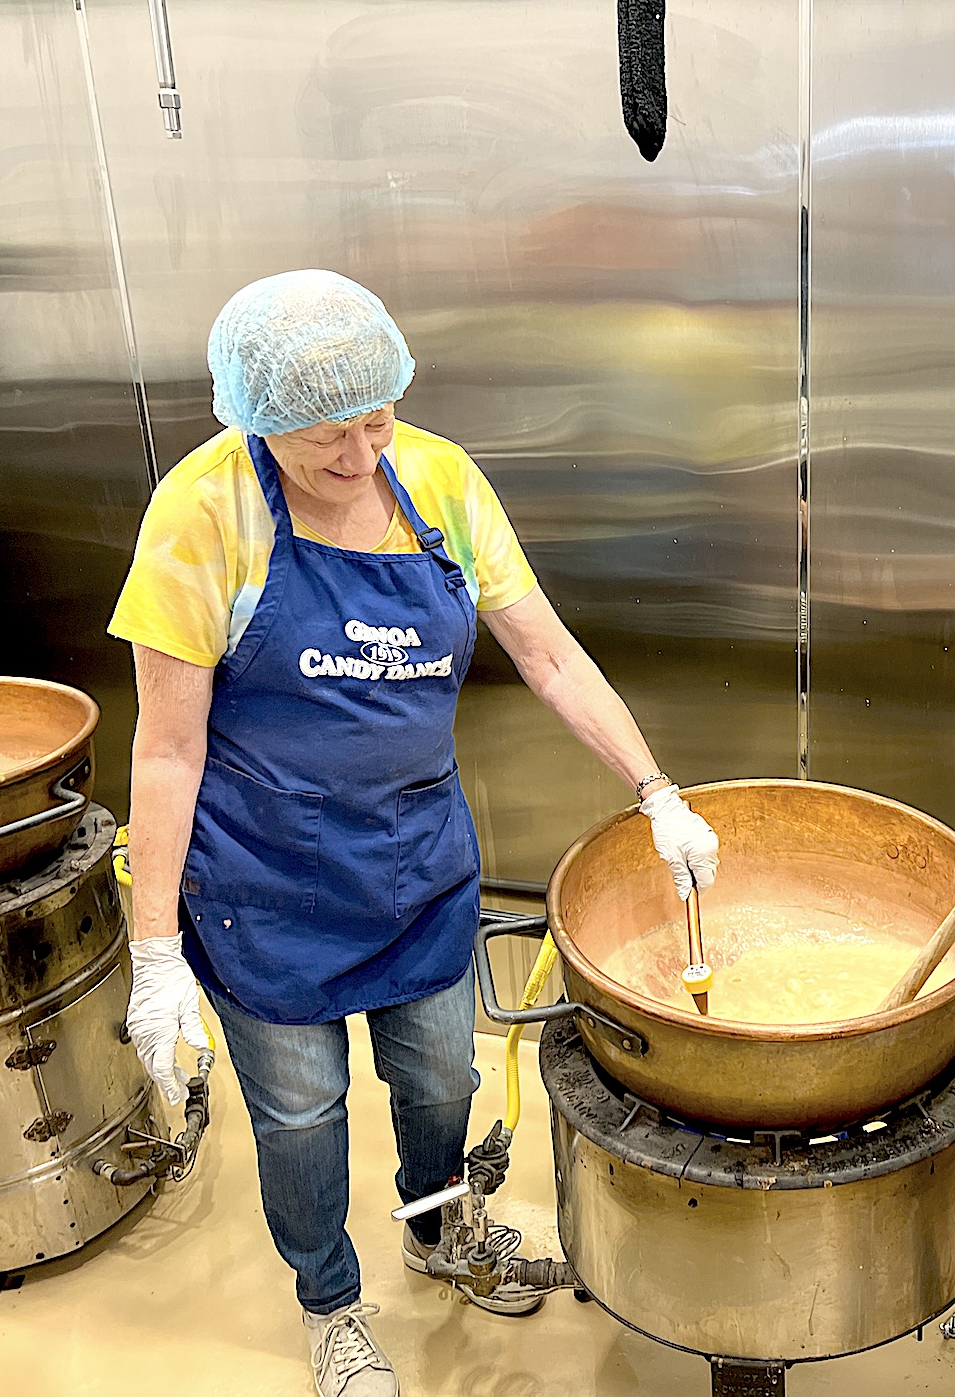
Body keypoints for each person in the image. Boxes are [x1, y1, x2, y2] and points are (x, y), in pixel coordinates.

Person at [110, 270, 720, 1397]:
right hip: (265, 879)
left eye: (377, 419)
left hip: (415, 857)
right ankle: (330, 1302)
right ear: (258, 420)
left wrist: (656, 790)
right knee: (301, 1113)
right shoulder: (203, 513)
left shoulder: (439, 477)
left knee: (441, 1078)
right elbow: (167, 748)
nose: (360, 454)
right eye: (325, 437)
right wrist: (154, 950)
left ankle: (439, 1230)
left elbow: (547, 654)